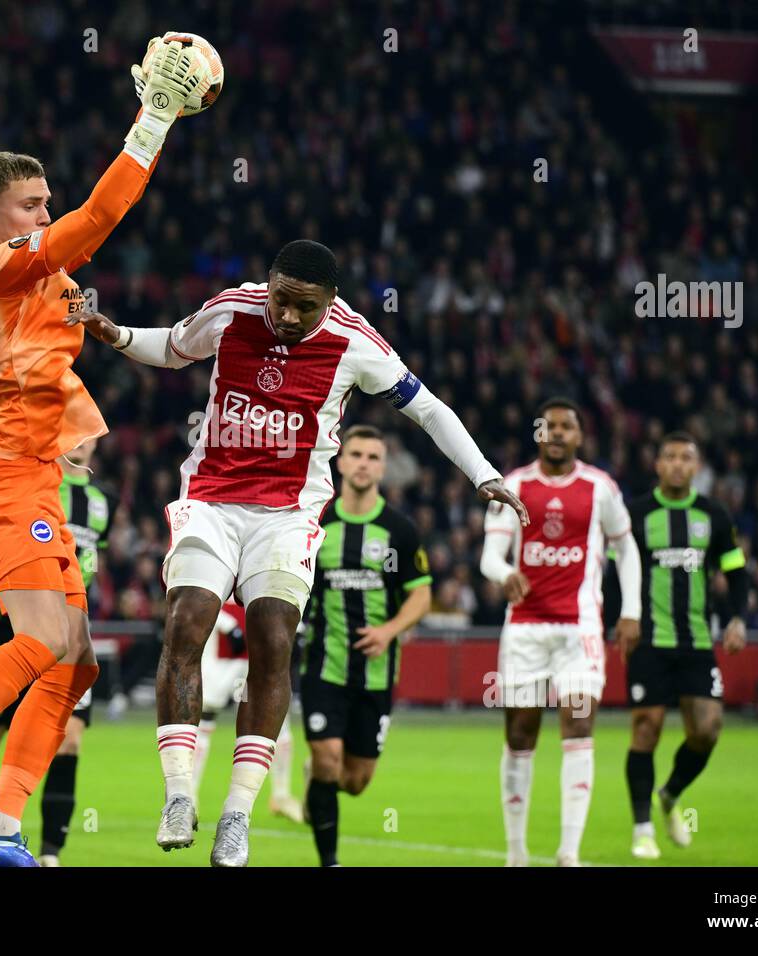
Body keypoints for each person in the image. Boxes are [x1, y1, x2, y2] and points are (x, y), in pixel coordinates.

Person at [0, 38, 210, 867]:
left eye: (45, 201)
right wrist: (153, 121)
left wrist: (89, 322)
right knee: (42, 638)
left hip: (36, 481)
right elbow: (94, 224)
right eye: (29, 204)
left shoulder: (34, 277)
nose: (43, 215)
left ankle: (1, 827)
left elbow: (65, 287)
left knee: (78, 660)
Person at [71, 239, 526, 866]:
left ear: (330, 301)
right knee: (186, 622)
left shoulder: (355, 342)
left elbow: (427, 409)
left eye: (303, 308)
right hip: (212, 499)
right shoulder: (232, 312)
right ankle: (179, 794)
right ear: (268, 284)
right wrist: (116, 333)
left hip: (288, 515)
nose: (286, 316)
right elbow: (174, 349)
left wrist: (483, 474)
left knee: (274, 637)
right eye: (281, 300)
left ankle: (237, 814)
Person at [0, 438, 112, 866]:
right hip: (23, 624)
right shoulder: (41, 480)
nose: (84, 446)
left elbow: (90, 561)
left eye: (91, 441)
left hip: (71, 629)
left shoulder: (103, 505)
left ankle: (50, 854)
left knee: (69, 741)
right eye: (79, 438)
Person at [480, 398, 640, 867]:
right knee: (521, 732)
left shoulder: (600, 488)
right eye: (549, 426)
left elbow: (626, 548)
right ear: (538, 433)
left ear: (580, 435)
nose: (557, 433)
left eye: (567, 426)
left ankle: (568, 853)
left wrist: (631, 611)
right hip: (526, 629)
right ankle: (516, 853)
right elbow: (489, 556)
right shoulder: (514, 485)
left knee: (578, 724)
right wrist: (504, 574)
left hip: (579, 629)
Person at [302, 424, 433, 867]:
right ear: (339, 461)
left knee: (355, 780)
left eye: (373, 457)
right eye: (356, 454)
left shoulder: (399, 530)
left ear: (384, 467)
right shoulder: (317, 524)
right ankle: (330, 860)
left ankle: (317, 785)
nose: (363, 464)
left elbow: (421, 593)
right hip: (324, 664)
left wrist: (389, 630)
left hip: (377, 673)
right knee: (328, 759)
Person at [621, 431, 747, 859]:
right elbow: (613, 571)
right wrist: (618, 619)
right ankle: (642, 830)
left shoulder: (713, 514)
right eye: (670, 457)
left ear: (697, 467)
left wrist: (737, 618)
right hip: (649, 639)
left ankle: (670, 794)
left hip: (696, 641)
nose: (677, 464)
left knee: (708, 730)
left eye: (686, 458)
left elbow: (735, 569)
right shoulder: (635, 513)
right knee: (646, 728)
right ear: (657, 464)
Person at [190, 602, 303, 822]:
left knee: (278, 721)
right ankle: (189, 795)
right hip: (222, 654)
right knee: (204, 718)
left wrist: (297, 629)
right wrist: (228, 625)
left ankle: (281, 795)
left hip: (260, 647)